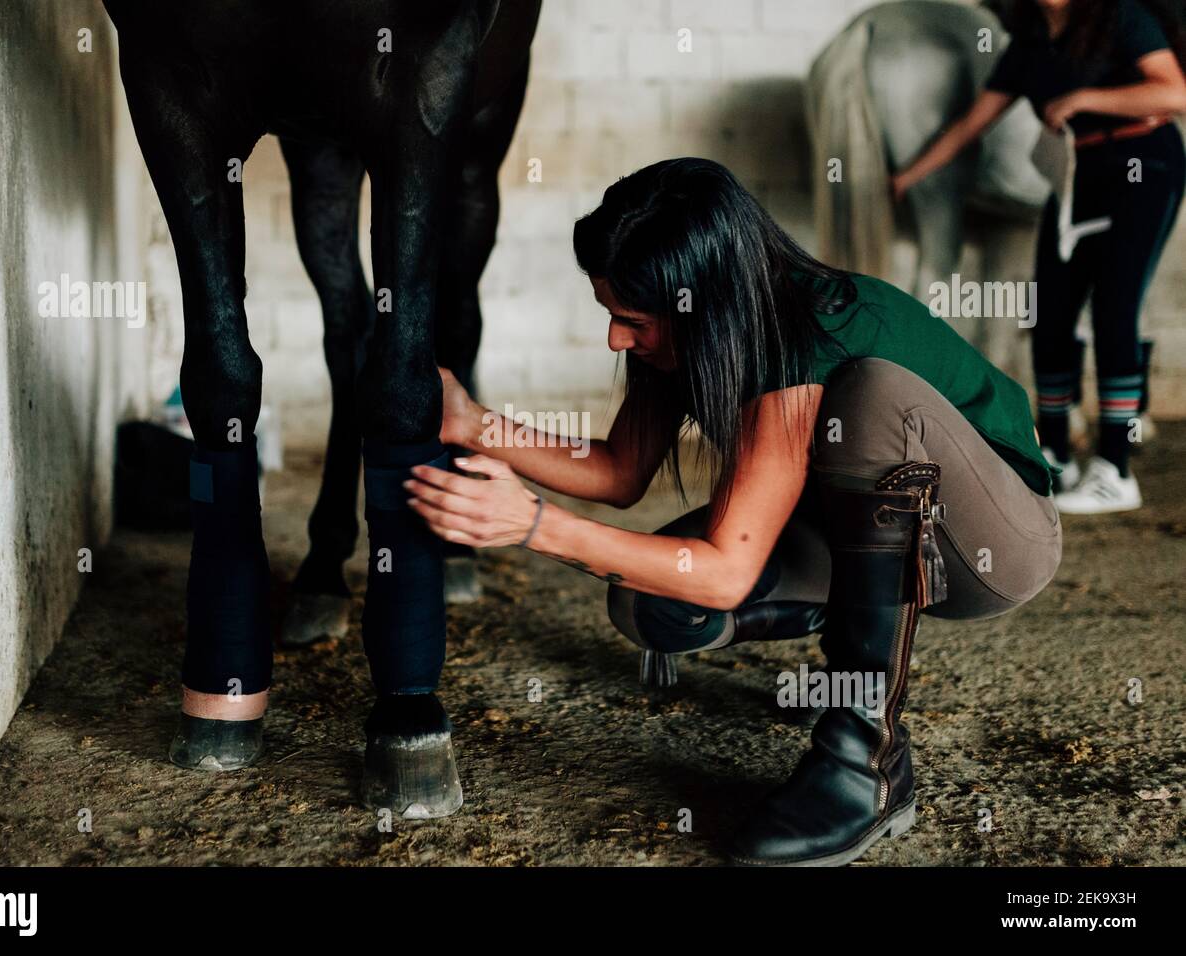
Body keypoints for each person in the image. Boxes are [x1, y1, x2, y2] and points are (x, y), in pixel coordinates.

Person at [401, 157, 1062, 866]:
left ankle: (865, 763)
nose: (615, 340)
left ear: (702, 302)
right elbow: (620, 471)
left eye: (631, 320)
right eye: (611, 315)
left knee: (871, 392)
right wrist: (473, 425)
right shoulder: (694, 335)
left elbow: (723, 575)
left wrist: (532, 525)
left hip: (991, 546)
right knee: (654, 604)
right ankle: (852, 652)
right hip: (860, 543)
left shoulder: (814, 329)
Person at [892, 0, 1186, 514]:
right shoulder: (1028, 45)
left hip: (1145, 164)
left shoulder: (1123, 18)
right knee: (1048, 314)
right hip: (1076, 173)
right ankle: (1054, 454)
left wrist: (1082, 97)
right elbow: (969, 125)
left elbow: (1174, 91)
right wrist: (907, 177)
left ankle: (1115, 470)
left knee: (1114, 311)